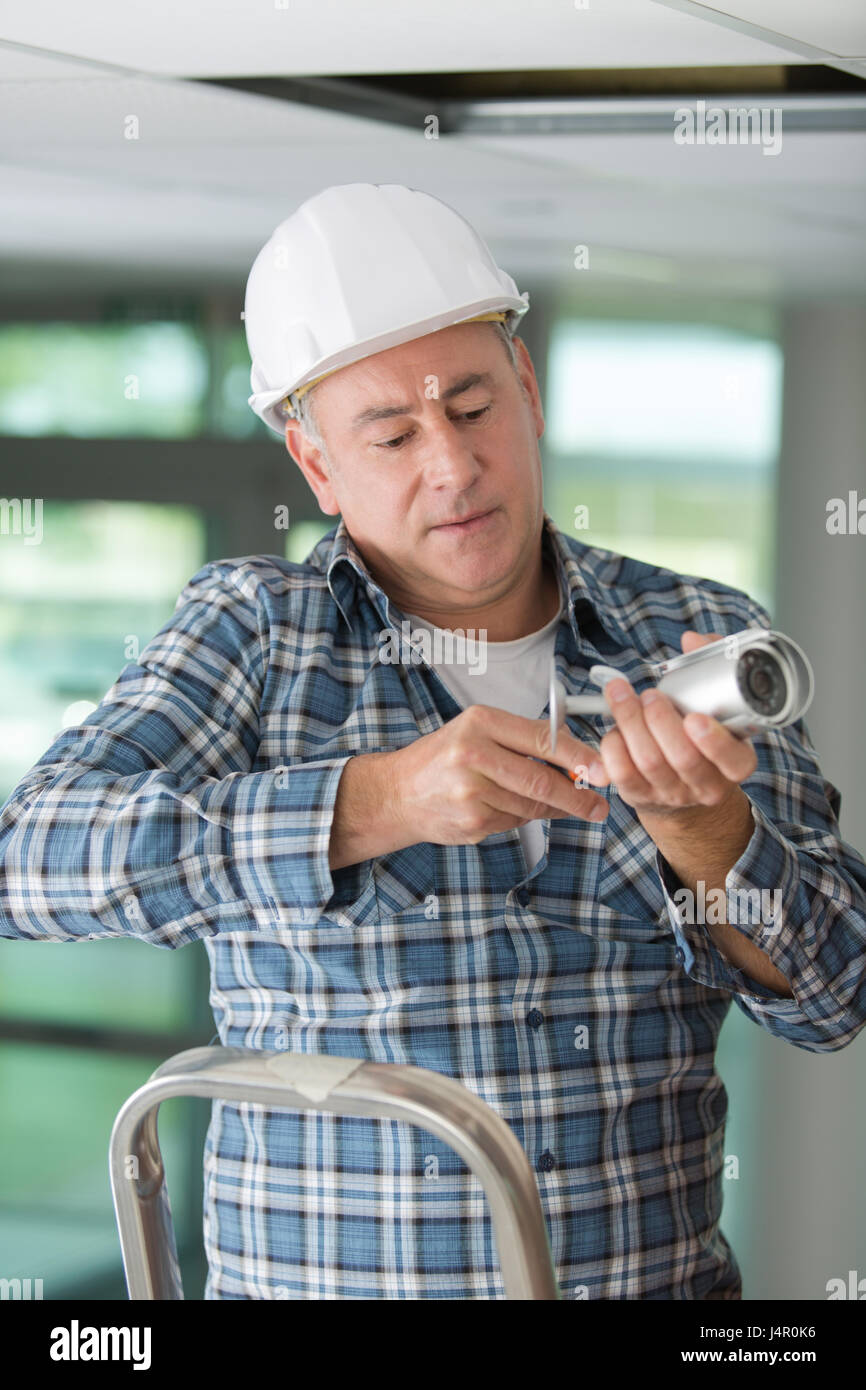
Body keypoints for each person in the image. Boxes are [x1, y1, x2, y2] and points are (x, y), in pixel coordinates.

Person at [1, 182, 864, 1301]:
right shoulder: (260, 633)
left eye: (470, 407)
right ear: (315, 464)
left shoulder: (686, 635)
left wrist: (712, 840)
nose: (451, 467)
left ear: (528, 392)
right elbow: (29, 859)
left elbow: (836, 994)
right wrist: (371, 804)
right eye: (393, 434)